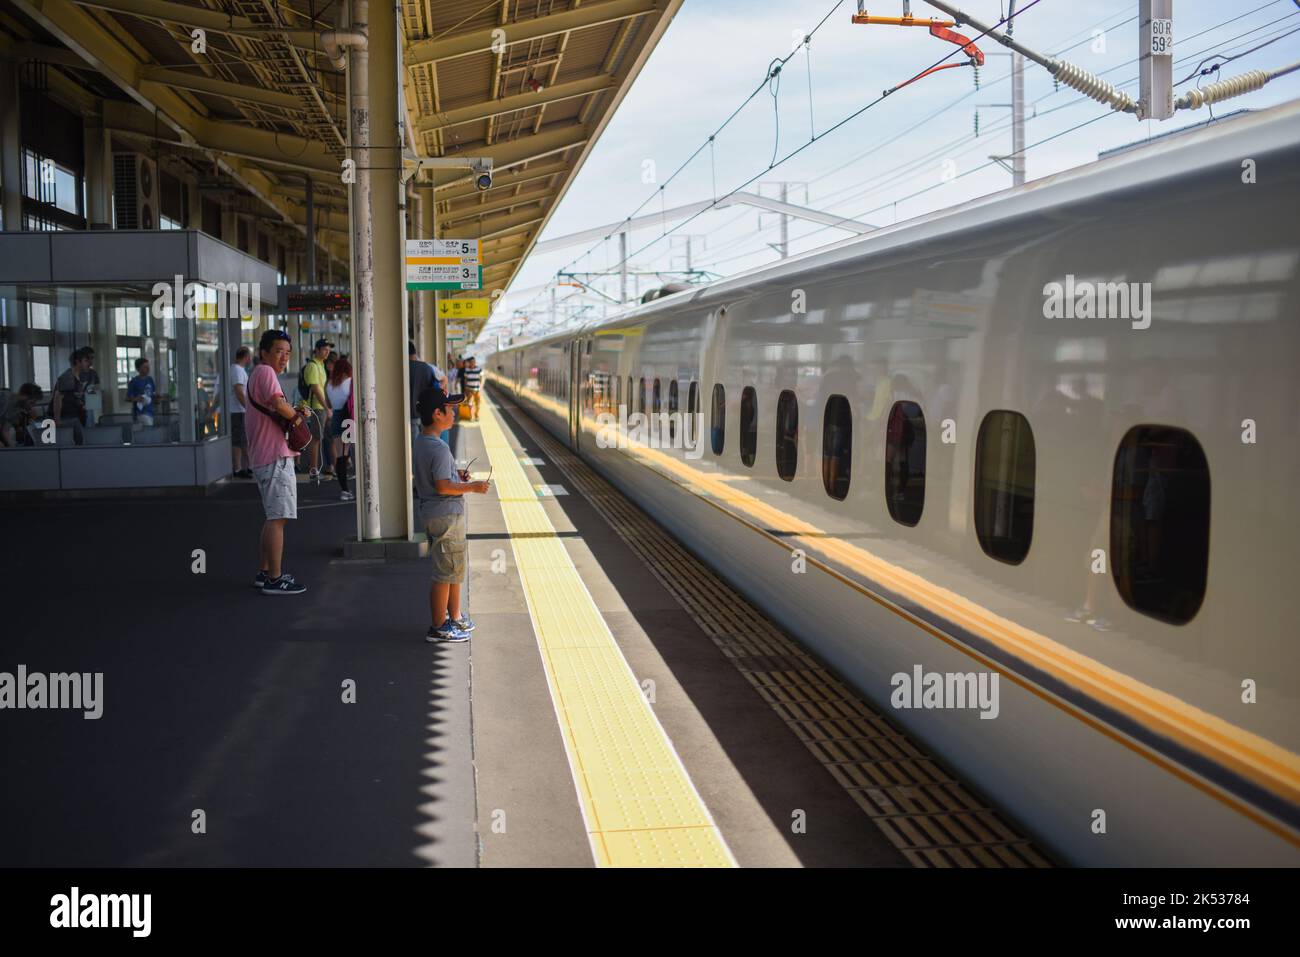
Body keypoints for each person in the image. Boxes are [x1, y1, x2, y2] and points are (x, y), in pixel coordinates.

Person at [414, 384, 490, 642]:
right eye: (450, 409)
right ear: (437, 414)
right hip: (446, 517)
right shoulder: (439, 448)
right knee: (444, 572)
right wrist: (472, 487)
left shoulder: (424, 442)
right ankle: (438, 626)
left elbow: (441, 477)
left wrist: (456, 475)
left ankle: (454, 616)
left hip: (436, 514)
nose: (455, 414)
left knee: (453, 568)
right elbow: (443, 486)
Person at [246, 329, 307, 596]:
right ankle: (274, 578)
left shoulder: (257, 375)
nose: (284, 358)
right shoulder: (265, 372)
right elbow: (280, 406)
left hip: (265, 455)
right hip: (274, 456)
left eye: (288, 353)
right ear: (264, 353)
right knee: (278, 518)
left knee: (272, 517)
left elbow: (277, 407)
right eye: (279, 352)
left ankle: (265, 572)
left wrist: (291, 412)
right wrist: (297, 417)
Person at [301, 338, 332, 483]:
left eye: (328, 349)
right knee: (315, 438)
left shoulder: (321, 365)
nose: (327, 352)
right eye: (325, 349)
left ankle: (315, 467)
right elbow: (315, 389)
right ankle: (313, 469)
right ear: (317, 350)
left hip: (321, 408)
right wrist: (326, 407)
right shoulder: (313, 366)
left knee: (318, 438)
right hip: (316, 408)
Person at [327, 355, 354, 501]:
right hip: (349, 419)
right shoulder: (350, 382)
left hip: (336, 419)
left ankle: (344, 490)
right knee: (350, 454)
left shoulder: (329, 384)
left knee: (340, 456)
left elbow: (328, 404)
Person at [52, 349, 92, 445]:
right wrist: (57, 419)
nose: (89, 363)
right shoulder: (68, 377)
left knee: (80, 442)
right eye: (86, 361)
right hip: (66, 418)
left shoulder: (77, 377)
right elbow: (58, 398)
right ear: (78, 362)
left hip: (74, 416)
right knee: (78, 443)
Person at [409, 340, 447, 440]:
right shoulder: (427, 367)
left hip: (410, 415)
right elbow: (439, 384)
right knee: (428, 441)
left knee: (415, 445)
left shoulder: (402, 368)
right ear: (414, 353)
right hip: (426, 414)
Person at [229, 346, 252, 478]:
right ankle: (238, 469)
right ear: (246, 357)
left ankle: (246, 467)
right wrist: (248, 408)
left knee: (243, 439)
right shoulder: (237, 370)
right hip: (238, 411)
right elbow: (239, 392)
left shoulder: (238, 370)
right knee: (238, 440)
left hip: (240, 410)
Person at [126, 357, 157, 428]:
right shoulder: (134, 382)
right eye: (145, 367)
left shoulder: (150, 379)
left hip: (151, 412)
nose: (148, 369)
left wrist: (157, 397)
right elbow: (127, 398)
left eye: (148, 366)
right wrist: (136, 399)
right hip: (141, 413)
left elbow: (152, 394)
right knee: (147, 434)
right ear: (138, 369)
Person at [462, 356, 482, 421]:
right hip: (469, 389)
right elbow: (465, 380)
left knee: (478, 403)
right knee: (470, 403)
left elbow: (481, 378)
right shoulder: (466, 370)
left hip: (477, 390)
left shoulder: (479, 369)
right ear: (469, 363)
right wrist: (465, 389)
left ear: (475, 362)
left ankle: (477, 415)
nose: (473, 363)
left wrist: (481, 386)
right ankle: (472, 416)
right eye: (471, 362)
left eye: (474, 362)